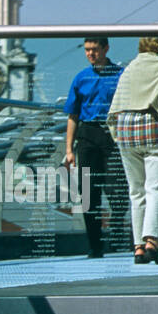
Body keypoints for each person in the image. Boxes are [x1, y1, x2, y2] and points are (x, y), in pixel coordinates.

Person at [107, 36, 158, 264]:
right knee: (156, 188)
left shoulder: (130, 67)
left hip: (125, 130)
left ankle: (138, 247)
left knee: (136, 191)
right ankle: (152, 242)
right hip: (154, 129)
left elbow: (118, 103)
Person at [62, 37, 128, 258]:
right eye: (87, 50)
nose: (91, 54)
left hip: (113, 134)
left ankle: (116, 233)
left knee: (116, 189)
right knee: (89, 192)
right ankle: (95, 245)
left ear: (105, 49)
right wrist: (69, 149)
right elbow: (73, 115)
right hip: (88, 134)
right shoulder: (81, 78)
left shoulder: (120, 75)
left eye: (95, 50)